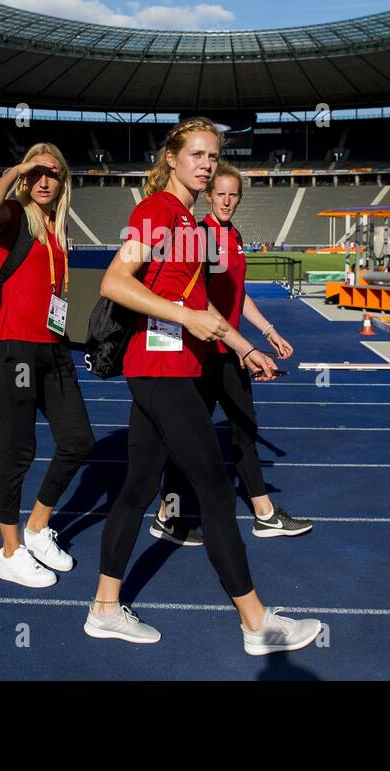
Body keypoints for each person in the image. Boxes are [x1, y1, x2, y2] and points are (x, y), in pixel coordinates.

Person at [85, 117, 323, 655]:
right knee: (215, 491)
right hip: (158, 369)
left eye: (213, 156)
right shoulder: (156, 212)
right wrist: (183, 317)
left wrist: (244, 346)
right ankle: (257, 623)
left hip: (170, 369)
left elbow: (200, 303)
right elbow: (113, 282)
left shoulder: (189, 223)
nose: (207, 164)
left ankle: (103, 608)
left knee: (137, 488)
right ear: (172, 158)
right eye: (196, 154)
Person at [152, 162, 313, 545]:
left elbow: (238, 294)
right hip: (209, 351)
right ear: (208, 196)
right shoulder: (202, 235)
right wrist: (244, 345)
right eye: (220, 193)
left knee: (241, 428)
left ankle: (259, 513)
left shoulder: (233, 235)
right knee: (206, 434)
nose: (226, 200)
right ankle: (172, 515)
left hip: (231, 349)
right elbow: (201, 299)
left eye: (233, 194)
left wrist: (268, 330)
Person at [0, 144, 95, 588]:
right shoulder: (11, 216)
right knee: (19, 450)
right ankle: (9, 552)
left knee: (79, 440)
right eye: (38, 173)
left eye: (54, 173)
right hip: (13, 350)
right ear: (26, 178)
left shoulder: (57, 230)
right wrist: (17, 169)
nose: (45, 180)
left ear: (64, 182)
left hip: (53, 348)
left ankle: (38, 527)